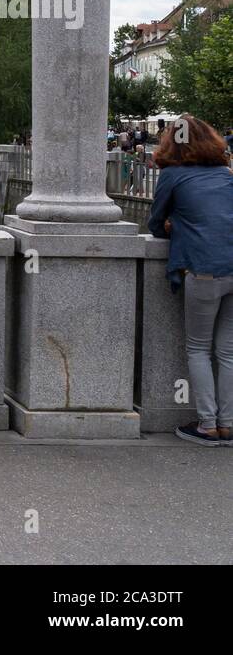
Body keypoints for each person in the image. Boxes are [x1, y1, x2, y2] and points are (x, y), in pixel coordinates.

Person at [147, 114, 233, 447]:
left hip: (204, 269)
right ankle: (228, 424)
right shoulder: (226, 175)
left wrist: (172, 225)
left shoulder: (172, 176)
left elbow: (155, 224)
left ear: (171, 143)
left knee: (199, 348)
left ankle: (208, 425)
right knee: (227, 352)